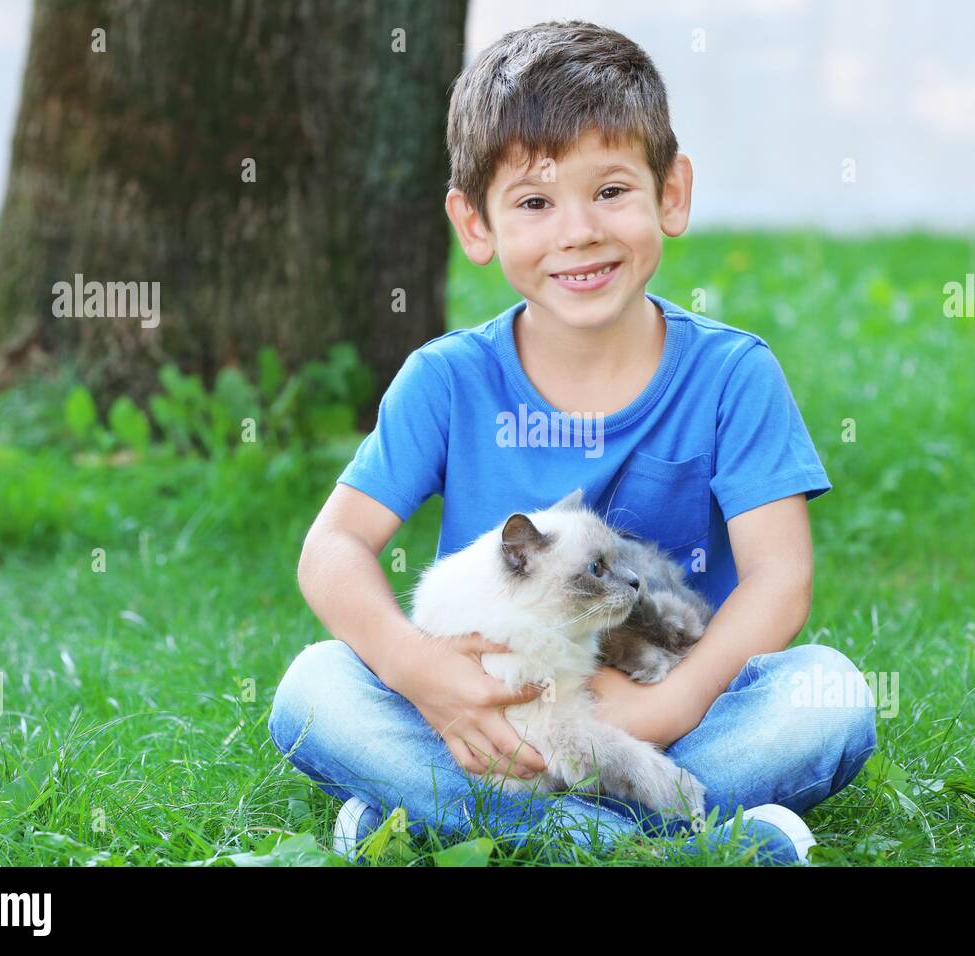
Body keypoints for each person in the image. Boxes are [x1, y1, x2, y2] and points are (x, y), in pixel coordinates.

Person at [269, 19, 876, 865]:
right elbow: (331, 549)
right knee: (312, 692)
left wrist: (660, 712)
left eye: (612, 191)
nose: (578, 231)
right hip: (490, 723)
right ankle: (673, 844)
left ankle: (441, 819)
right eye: (534, 203)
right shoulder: (446, 380)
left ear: (673, 193)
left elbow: (781, 579)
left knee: (831, 696)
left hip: (671, 720)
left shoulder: (734, 375)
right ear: (474, 224)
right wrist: (423, 677)